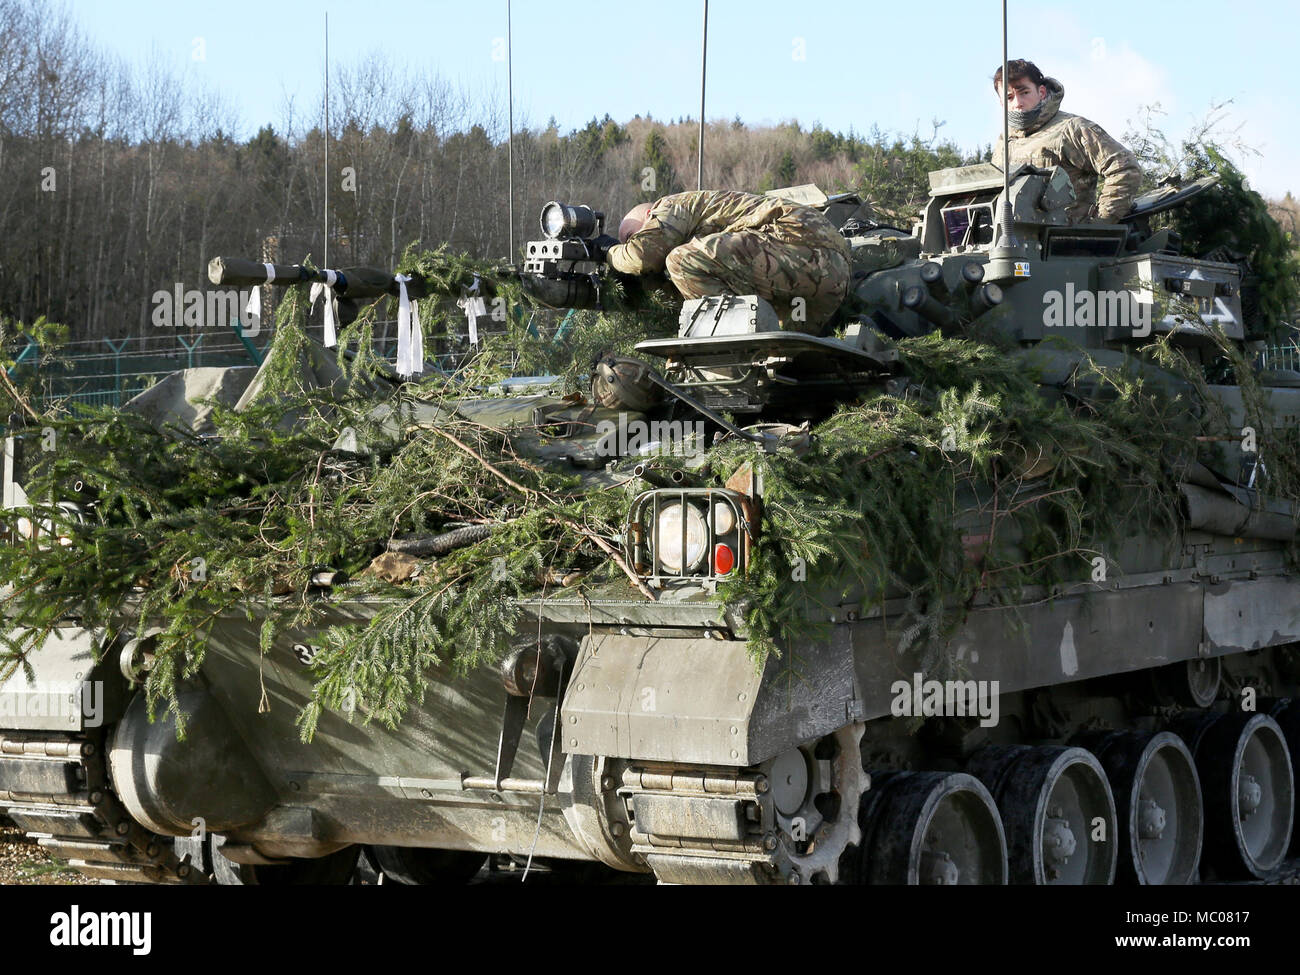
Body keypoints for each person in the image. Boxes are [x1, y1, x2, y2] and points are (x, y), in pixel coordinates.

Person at [605, 189, 851, 333]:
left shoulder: (670, 205)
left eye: (629, 236)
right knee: (780, 353)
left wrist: (607, 253)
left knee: (682, 261)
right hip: (831, 277)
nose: (628, 243)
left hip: (798, 242)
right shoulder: (717, 260)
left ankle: (730, 342)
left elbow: (641, 256)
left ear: (648, 215)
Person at [992, 59, 1141, 224]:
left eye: (1024, 93)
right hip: (1018, 243)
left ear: (1041, 92)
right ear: (1001, 103)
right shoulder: (1004, 143)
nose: (1018, 103)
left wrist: (1100, 222)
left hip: (1071, 242)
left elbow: (1125, 167)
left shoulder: (1071, 129)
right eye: (1009, 97)